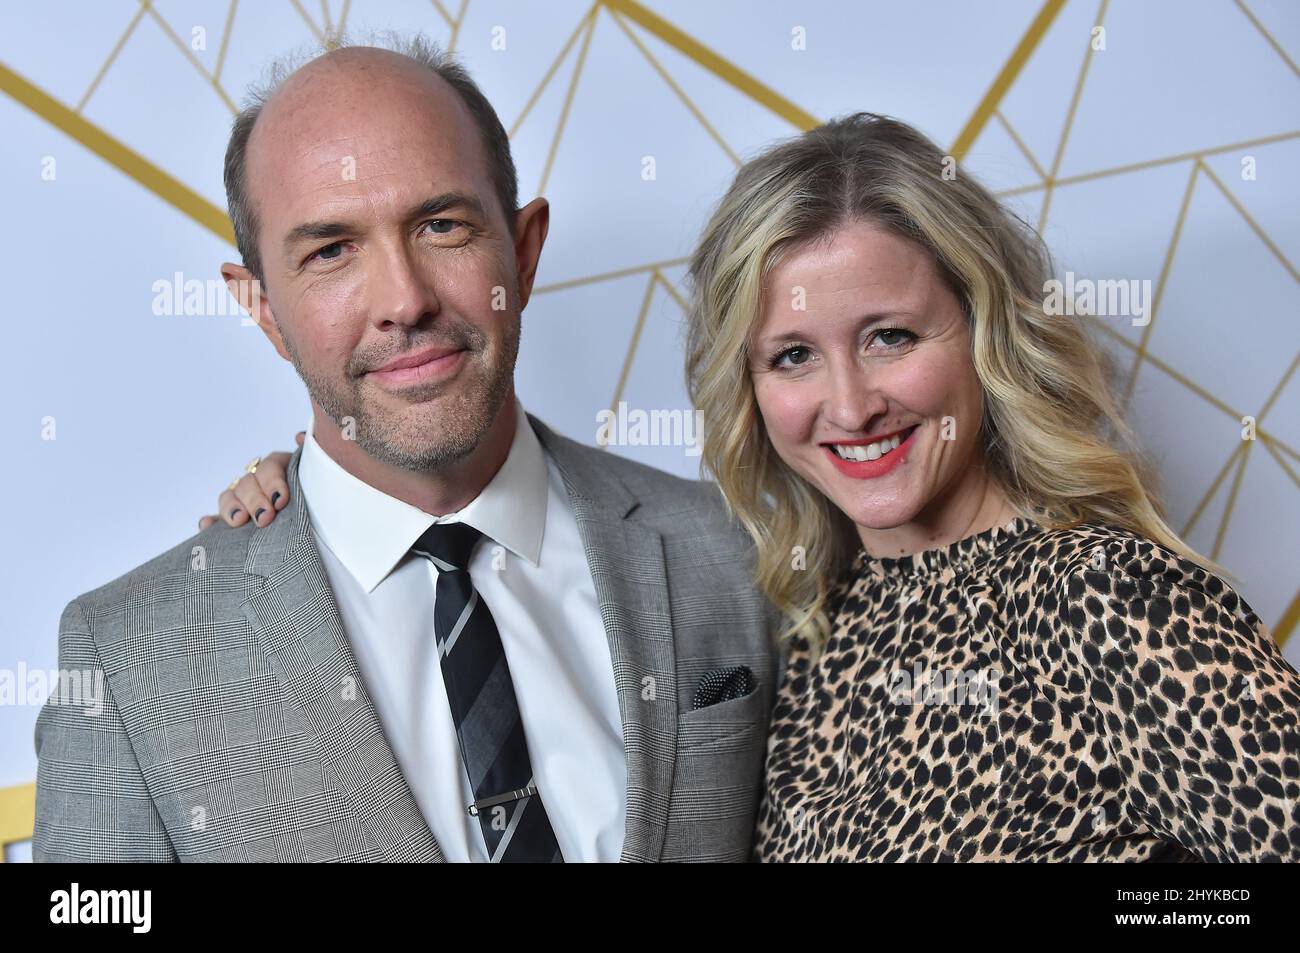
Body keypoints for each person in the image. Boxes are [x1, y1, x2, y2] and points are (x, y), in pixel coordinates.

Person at [219, 111, 1300, 862]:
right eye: (790, 356)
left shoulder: (1110, 602)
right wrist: (302, 490)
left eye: (888, 336)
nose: (849, 403)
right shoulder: (797, 612)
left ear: (983, 335)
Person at [33, 35, 777, 864]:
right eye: (330, 251)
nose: (404, 300)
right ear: (264, 308)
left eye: (442, 225)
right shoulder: (127, 660)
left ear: (523, 252)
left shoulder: (732, 552)